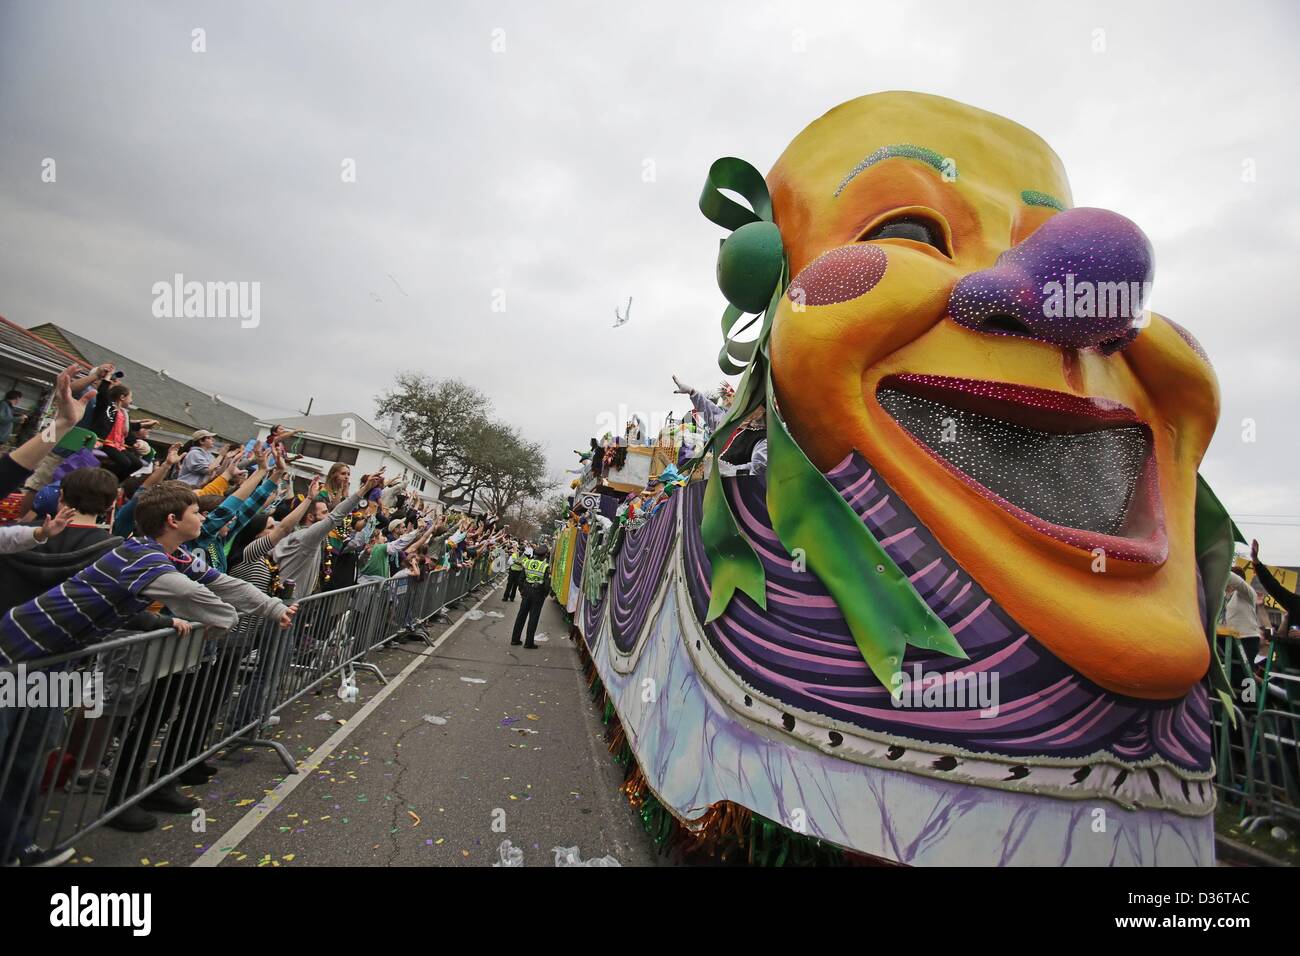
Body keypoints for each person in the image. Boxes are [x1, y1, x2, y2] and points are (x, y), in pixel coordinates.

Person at [672, 374, 767, 476]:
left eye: (751, 403)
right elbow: (711, 413)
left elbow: (758, 469)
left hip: (737, 488)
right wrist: (692, 392)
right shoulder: (731, 424)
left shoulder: (764, 438)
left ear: (762, 409)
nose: (745, 406)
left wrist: (726, 471)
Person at [510, 545, 550, 650]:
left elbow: (521, 579)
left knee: (521, 615)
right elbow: (546, 584)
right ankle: (528, 643)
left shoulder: (527, 562)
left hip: (526, 591)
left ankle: (515, 639)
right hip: (538, 593)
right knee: (533, 617)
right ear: (544, 555)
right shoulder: (545, 566)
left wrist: (522, 590)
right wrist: (545, 594)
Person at [1223, 567, 1263, 664]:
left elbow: (1236, 581)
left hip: (1247, 639)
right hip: (1230, 640)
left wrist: (1221, 568)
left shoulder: (1247, 593)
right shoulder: (1225, 596)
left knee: (1243, 673)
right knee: (1232, 672)